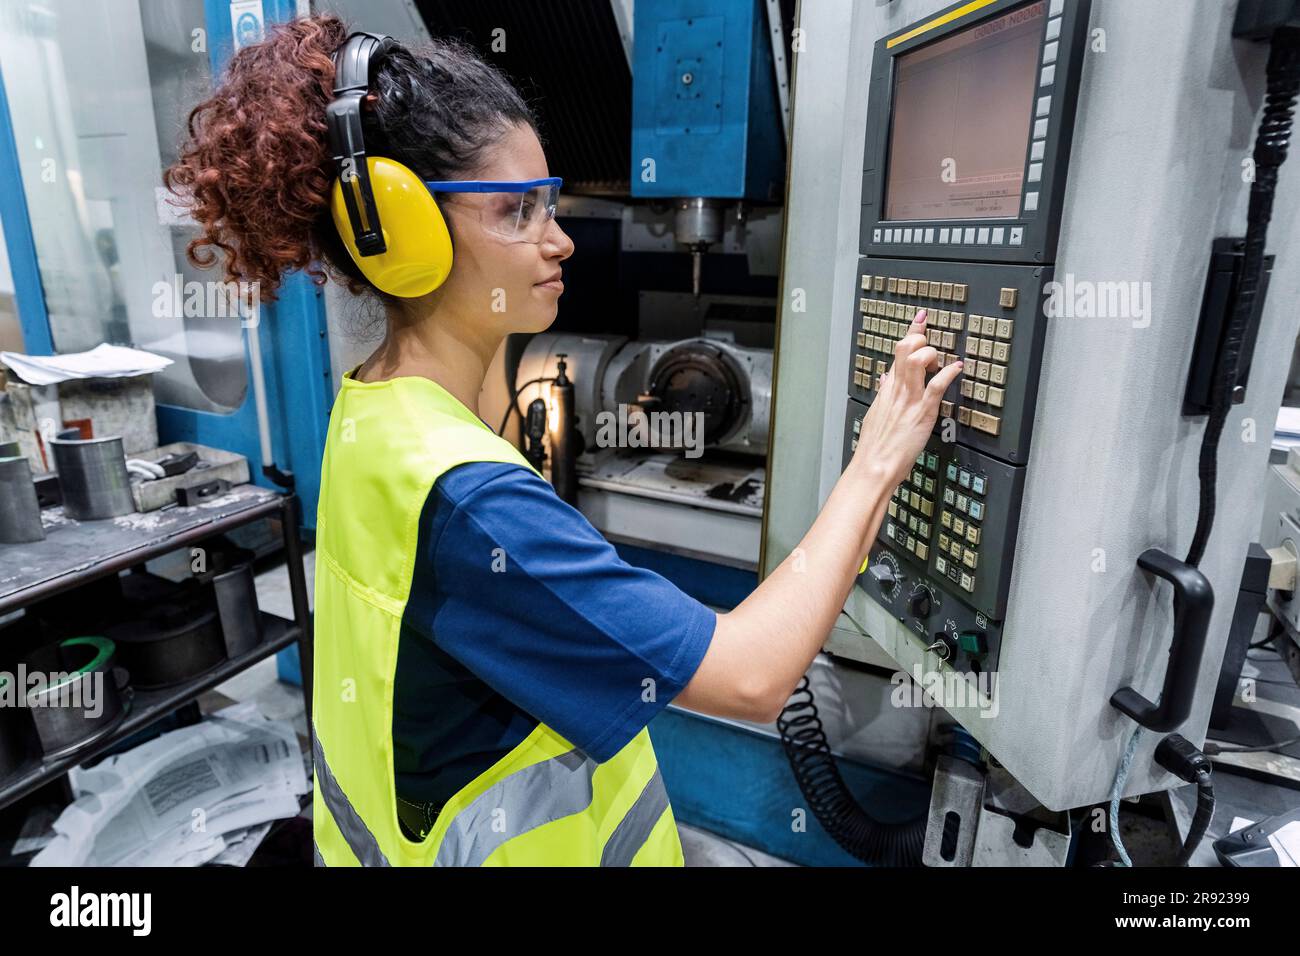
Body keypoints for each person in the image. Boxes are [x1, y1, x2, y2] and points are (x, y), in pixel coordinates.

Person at [164, 14, 963, 867]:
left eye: (551, 203)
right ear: (396, 233)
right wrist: (877, 458)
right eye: (516, 210)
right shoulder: (470, 495)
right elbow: (754, 675)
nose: (561, 238)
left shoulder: (371, 413)